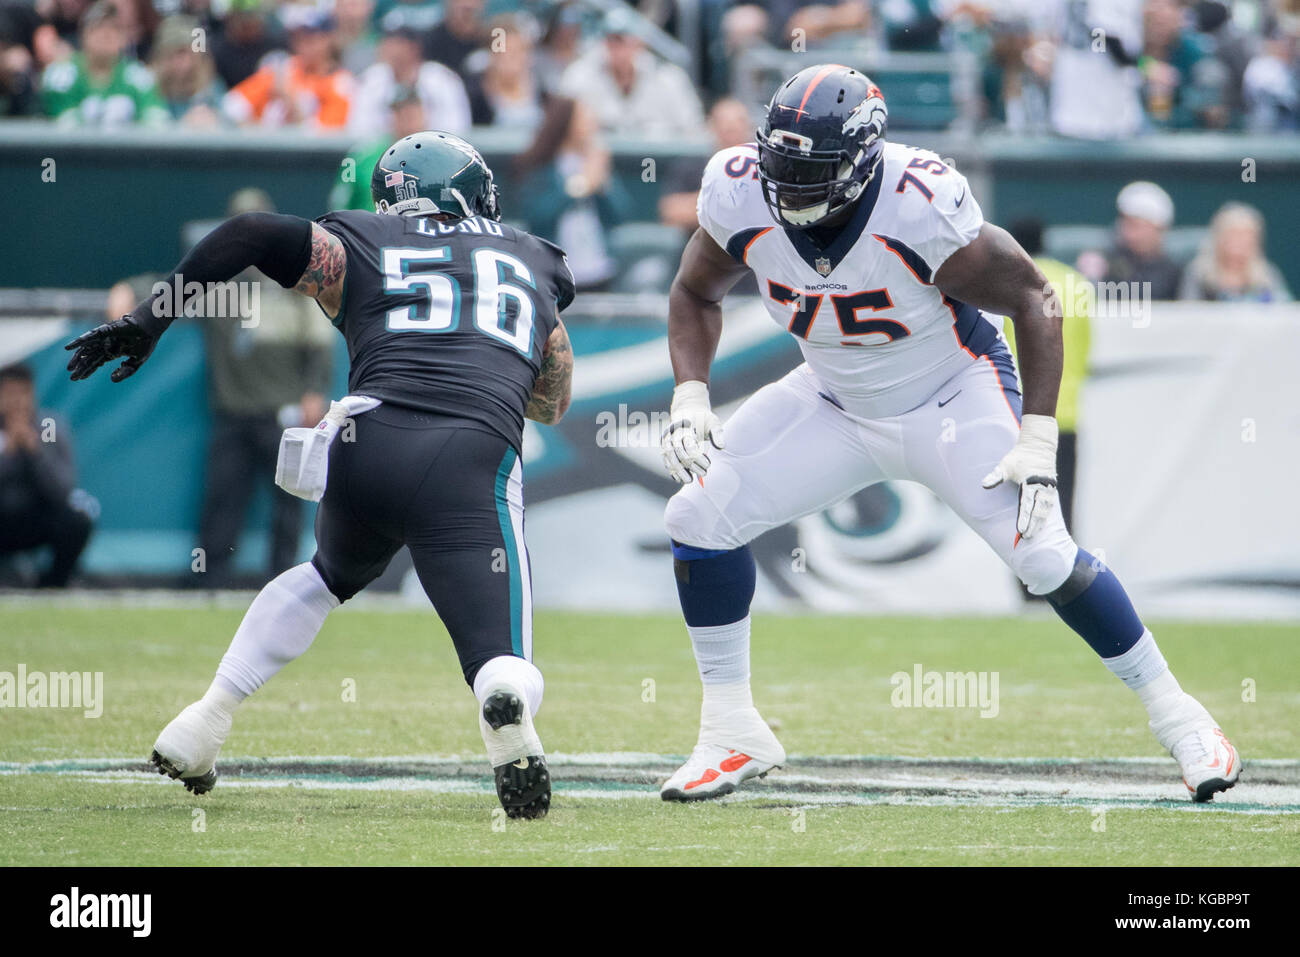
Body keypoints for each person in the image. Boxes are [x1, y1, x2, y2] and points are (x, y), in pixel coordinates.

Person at [655, 65, 1240, 804]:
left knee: (1045, 555)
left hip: (951, 395)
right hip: (834, 398)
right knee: (698, 516)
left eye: (812, 172)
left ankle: (1181, 717)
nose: (790, 187)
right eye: (782, 167)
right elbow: (694, 290)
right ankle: (730, 728)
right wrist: (691, 391)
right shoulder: (738, 188)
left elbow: (1035, 296)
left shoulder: (918, 201)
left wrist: (1036, 436)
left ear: (863, 161)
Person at [65, 130, 575, 820]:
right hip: (469, 458)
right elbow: (552, 396)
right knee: (501, 655)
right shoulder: (532, 256)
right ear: (474, 193)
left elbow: (247, 231)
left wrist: (150, 320)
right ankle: (501, 698)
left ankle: (206, 717)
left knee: (326, 573)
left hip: (366, 441)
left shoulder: (361, 239)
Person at [193, 189, 336, 589]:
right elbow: (165, 288)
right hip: (234, 410)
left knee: (289, 501)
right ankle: (211, 582)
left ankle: (282, 582)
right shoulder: (214, 284)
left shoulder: (292, 279)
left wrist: (313, 389)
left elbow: (318, 341)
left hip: (281, 409)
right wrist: (129, 291)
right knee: (222, 500)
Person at [1003, 218, 1090, 538]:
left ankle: (1028, 587)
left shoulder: (1006, 282)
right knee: (1063, 511)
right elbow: (1087, 349)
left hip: (1020, 415)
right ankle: (1066, 584)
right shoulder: (1076, 282)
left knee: (1020, 514)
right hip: (1065, 417)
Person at [0, 363, 95, 587]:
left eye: (22, 393)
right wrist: (9, 454)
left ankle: (53, 585)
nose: (16, 401)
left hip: (35, 519)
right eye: (9, 393)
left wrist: (35, 453)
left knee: (77, 521)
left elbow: (62, 492)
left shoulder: (51, 428)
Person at [557, 8, 704, 139]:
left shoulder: (668, 77)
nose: (615, 47)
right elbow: (562, 126)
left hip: (657, 163)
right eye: (610, 39)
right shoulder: (580, 75)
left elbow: (693, 129)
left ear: (639, 42)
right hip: (598, 160)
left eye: (621, 40)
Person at [41, 0, 169, 126]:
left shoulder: (139, 77)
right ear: (83, 35)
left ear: (124, 38)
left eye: (114, 29)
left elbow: (156, 121)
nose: (106, 35)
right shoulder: (62, 76)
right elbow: (65, 127)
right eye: (99, 27)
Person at [222, 7, 353, 130]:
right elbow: (232, 105)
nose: (303, 45)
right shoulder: (283, 68)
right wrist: (253, 127)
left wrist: (290, 101)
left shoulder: (341, 83)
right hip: (267, 149)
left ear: (328, 39)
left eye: (310, 39)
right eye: (298, 39)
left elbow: (325, 136)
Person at [348, 23, 469, 139]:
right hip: (383, 150)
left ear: (414, 47)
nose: (390, 48)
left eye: (397, 42)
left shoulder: (442, 79)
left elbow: (457, 130)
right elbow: (358, 130)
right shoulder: (372, 79)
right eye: (387, 42)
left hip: (436, 151)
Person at [658, 97, 753, 234]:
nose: (731, 133)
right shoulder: (692, 164)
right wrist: (720, 199)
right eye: (725, 126)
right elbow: (670, 211)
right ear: (712, 127)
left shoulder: (762, 166)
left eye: (737, 126)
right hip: (701, 243)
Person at [1078, 180, 1183, 301]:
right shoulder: (1106, 262)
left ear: (1160, 229)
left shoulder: (1174, 273)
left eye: (1137, 225)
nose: (1129, 233)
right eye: (1125, 223)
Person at [1178, 202, 1292, 302]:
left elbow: (1282, 309)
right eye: (1233, 234)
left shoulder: (1267, 275)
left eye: (1246, 236)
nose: (1240, 242)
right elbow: (1189, 311)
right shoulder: (1199, 274)